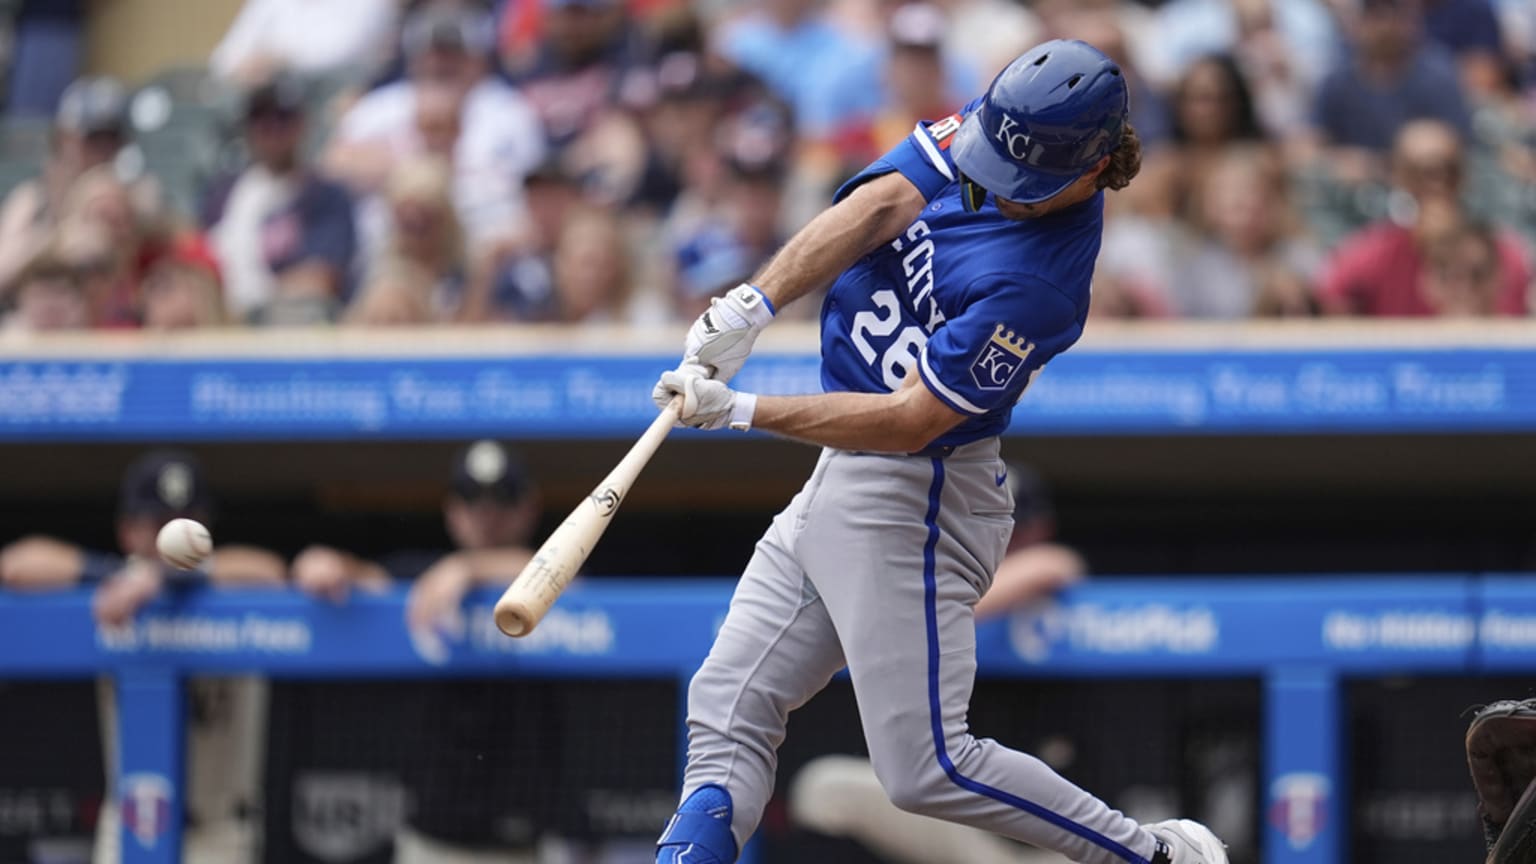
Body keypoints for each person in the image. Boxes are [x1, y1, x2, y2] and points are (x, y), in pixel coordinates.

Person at [645, 39, 1226, 864]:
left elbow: (911, 419)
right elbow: (880, 204)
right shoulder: (1005, 127)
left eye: (1020, 182)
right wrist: (753, 301)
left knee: (926, 768)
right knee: (727, 706)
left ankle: (1153, 856)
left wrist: (745, 410)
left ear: (1091, 170)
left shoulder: (1042, 284)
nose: (990, 183)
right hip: (841, 481)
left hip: (916, 490)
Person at [0, 450, 287, 864]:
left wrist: (165, 575)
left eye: (186, 522)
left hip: (219, 832)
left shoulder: (230, 584)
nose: (172, 536)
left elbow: (271, 571)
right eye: (157, 524)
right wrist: (115, 576)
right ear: (127, 531)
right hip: (132, 823)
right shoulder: (116, 591)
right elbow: (16, 566)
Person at [290, 440, 544, 863]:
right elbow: (358, 577)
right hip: (428, 838)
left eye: (501, 499)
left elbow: (566, 575)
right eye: (471, 500)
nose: (486, 514)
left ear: (528, 508)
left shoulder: (548, 577)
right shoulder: (419, 577)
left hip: (525, 843)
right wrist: (324, 564)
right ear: (450, 510)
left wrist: (467, 569)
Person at [1316, 118, 1531, 316]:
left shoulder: (1503, 251)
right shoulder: (1373, 252)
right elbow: (1330, 296)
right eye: (1420, 171)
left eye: (1448, 169)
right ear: (1400, 177)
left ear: (1464, 175)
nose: (1436, 181)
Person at [203, 73, 358, 324]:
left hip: (285, 328)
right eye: (261, 119)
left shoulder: (326, 195)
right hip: (219, 324)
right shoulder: (223, 191)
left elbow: (319, 280)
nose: (272, 129)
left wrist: (247, 309)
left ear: (302, 124)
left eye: (282, 119)